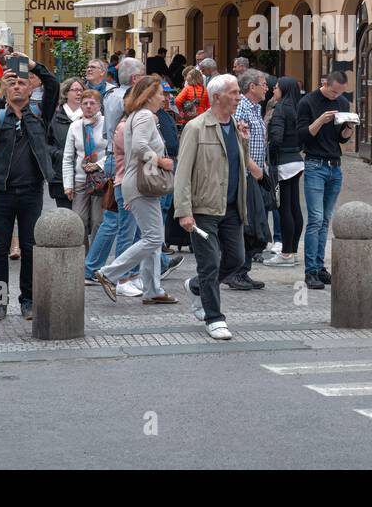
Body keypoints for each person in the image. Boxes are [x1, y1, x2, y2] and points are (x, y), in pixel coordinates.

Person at [0, 53, 60, 321]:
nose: (16, 87)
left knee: (29, 247)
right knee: (0, 249)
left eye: (21, 83)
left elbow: (54, 86)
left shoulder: (39, 113)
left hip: (30, 191)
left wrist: (34, 65)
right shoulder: (0, 113)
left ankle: (28, 299)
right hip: (1, 190)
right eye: (12, 83)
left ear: (30, 87)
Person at [175, 73, 249, 341]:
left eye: (238, 92)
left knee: (236, 259)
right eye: (234, 92)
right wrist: (184, 211)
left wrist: (244, 141)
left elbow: (238, 167)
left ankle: (195, 287)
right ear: (217, 96)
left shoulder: (235, 127)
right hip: (203, 208)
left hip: (230, 208)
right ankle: (214, 318)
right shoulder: (196, 127)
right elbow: (182, 173)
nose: (238, 97)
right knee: (209, 264)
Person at [92, 77, 178, 305]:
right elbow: (140, 147)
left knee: (151, 236)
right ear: (149, 95)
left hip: (137, 183)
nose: (164, 97)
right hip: (140, 183)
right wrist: (161, 162)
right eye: (161, 93)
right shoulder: (145, 116)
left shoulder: (136, 116)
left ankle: (152, 290)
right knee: (153, 238)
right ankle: (109, 272)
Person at [297, 71, 354, 290]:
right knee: (315, 219)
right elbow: (302, 135)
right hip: (314, 164)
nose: (336, 97)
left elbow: (342, 138)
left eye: (340, 92)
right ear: (324, 84)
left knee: (325, 220)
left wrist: (349, 126)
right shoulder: (308, 102)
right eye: (333, 91)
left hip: (335, 167)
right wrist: (321, 120)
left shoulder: (342, 101)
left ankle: (320, 266)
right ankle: (310, 271)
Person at [233, 69, 270, 285]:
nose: (267, 88)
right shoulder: (242, 109)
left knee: (255, 226)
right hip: (245, 175)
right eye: (263, 84)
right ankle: (235, 272)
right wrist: (253, 166)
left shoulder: (256, 108)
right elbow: (237, 142)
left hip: (255, 174)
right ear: (252, 87)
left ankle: (243, 270)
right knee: (248, 226)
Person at [265, 76, 304, 268]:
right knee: (295, 206)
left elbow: (276, 138)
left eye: (277, 88)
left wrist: (270, 156)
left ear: (285, 90)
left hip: (283, 163)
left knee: (284, 208)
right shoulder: (297, 107)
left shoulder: (280, 109)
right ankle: (293, 251)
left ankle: (286, 253)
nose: (274, 90)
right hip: (296, 160)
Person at [62, 87, 107, 243]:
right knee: (79, 220)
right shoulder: (75, 126)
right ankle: (84, 257)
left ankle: (95, 258)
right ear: (81, 106)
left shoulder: (106, 124)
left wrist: (99, 165)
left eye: (92, 103)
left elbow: (113, 151)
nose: (88, 106)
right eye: (85, 103)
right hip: (80, 178)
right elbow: (68, 157)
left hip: (100, 179)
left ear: (99, 106)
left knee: (97, 221)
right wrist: (68, 184)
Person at [49, 76, 86, 211]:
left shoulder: (90, 116)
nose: (79, 93)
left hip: (85, 176)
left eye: (81, 90)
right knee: (66, 219)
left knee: (83, 221)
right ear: (66, 92)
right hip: (60, 176)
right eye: (75, 90)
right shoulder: (55, 116)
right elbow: (46, 144)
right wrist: (59, 154)